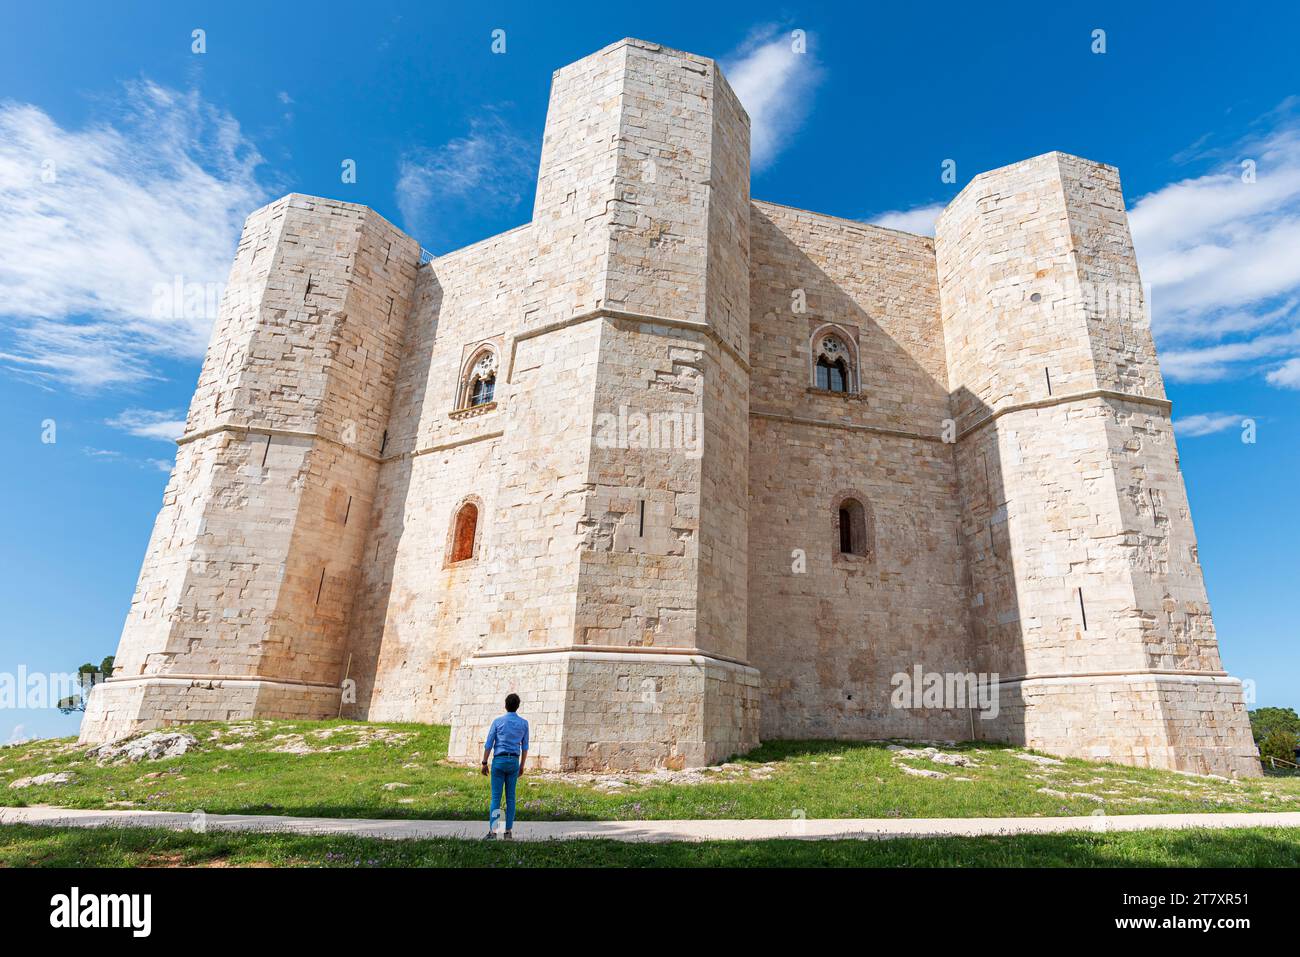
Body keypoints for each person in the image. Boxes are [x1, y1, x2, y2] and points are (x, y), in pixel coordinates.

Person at [481, 692, 529, 839]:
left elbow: (489, 744)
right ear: (518, 706)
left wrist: (484, 762)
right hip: (514, 761)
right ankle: (507, 832)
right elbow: (525, 746)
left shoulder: (497, 722)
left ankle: (494, 832)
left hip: (499, 761)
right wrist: (522, 766)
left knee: (496, 797)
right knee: (511, 798)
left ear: (505, 705)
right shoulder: (524, 723)